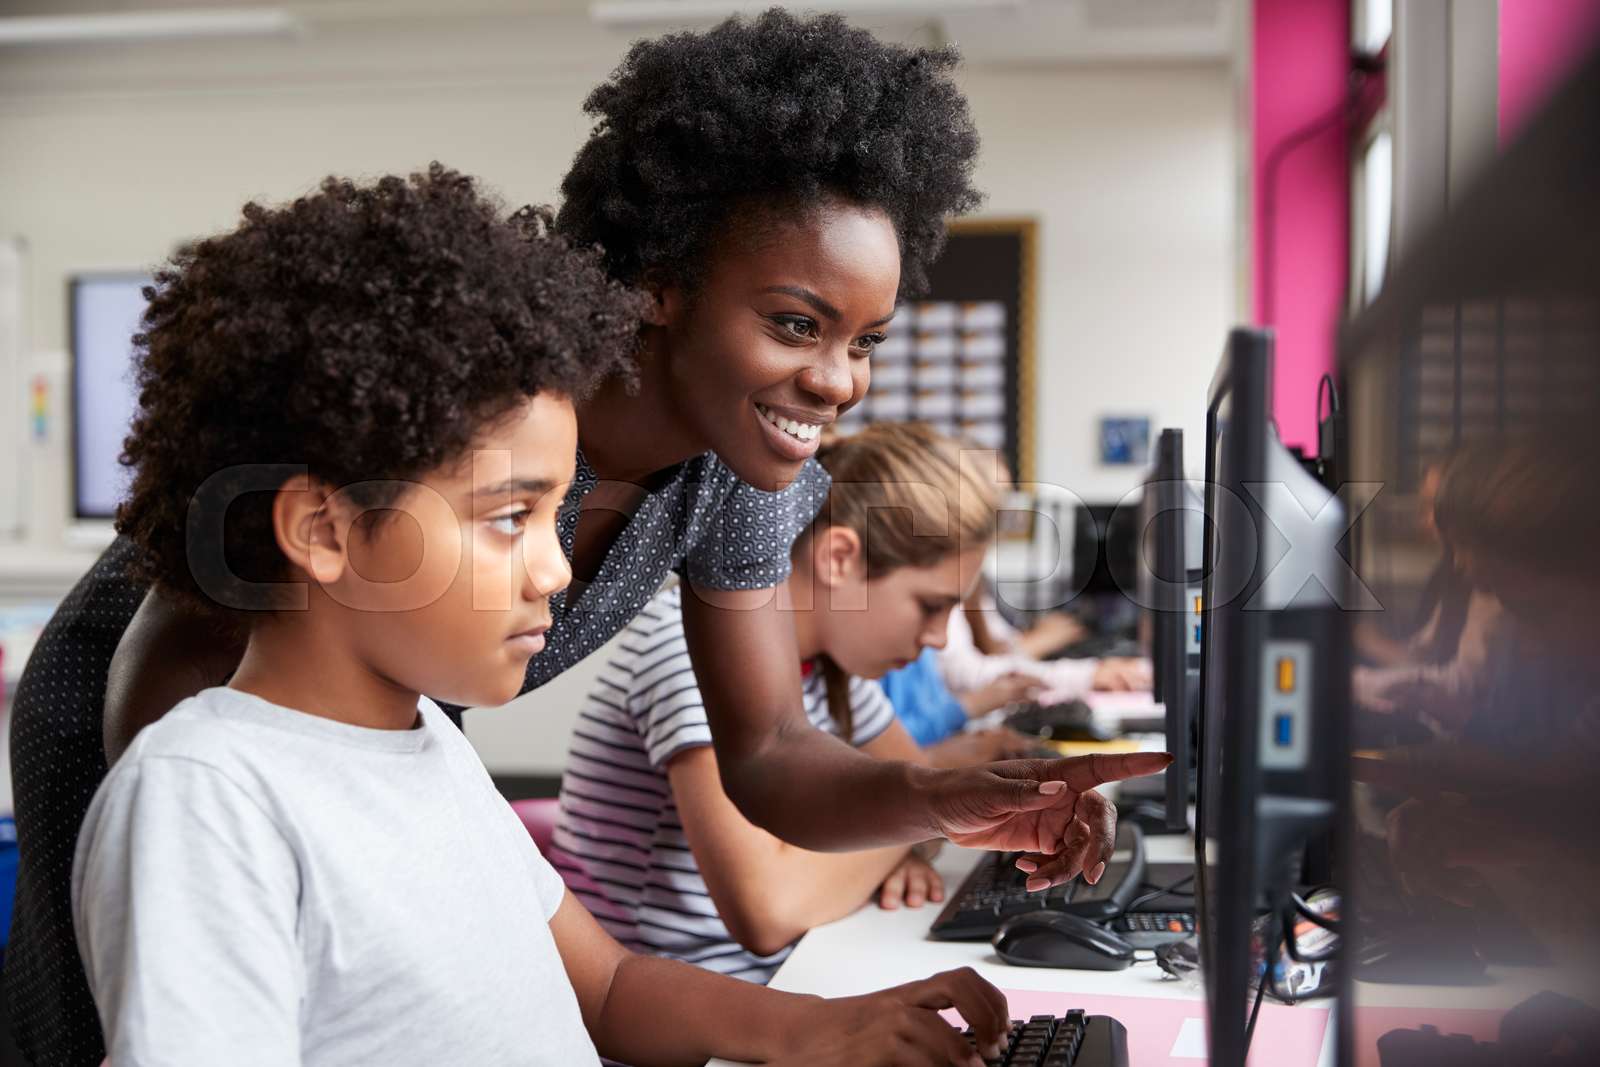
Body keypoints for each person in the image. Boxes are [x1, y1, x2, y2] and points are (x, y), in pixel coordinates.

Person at [7, 12, 1164, 1060]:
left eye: (864, 340)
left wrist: (947, 794)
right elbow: (184, 724)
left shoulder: (739, 461)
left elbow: (768, 751)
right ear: (660, 284)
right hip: (162, 706)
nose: (837, 380)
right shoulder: (487, 395)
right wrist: (239, 843)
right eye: (795, 324)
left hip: (391, 730)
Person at [72, 168, 1017, 1067]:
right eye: (509, 517)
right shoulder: (203, 795)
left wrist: (830, 1026)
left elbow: (608, 988)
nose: (561, 566)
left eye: (558, 510)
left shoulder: (428, 751)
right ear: (325, 529)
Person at [555, 423, 1069, 985]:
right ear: (839, 558)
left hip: (784, 977)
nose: (940, 638)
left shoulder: (829, 666)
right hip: (683, 1008)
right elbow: (771, 910)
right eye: (929, 605)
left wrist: (906, 836)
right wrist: (909, 832)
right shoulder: (686, 648)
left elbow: (915, 793)